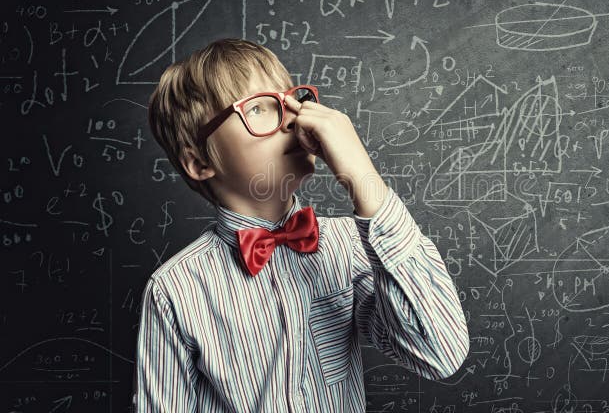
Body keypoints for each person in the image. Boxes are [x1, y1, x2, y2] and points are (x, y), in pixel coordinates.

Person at [134, 38, 469, 411]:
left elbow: (440, 352)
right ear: (199, 163)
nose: (292, 118)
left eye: (290, 100)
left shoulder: (348, 246)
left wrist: (362, 174)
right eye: (259, 108)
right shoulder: (174, 289)